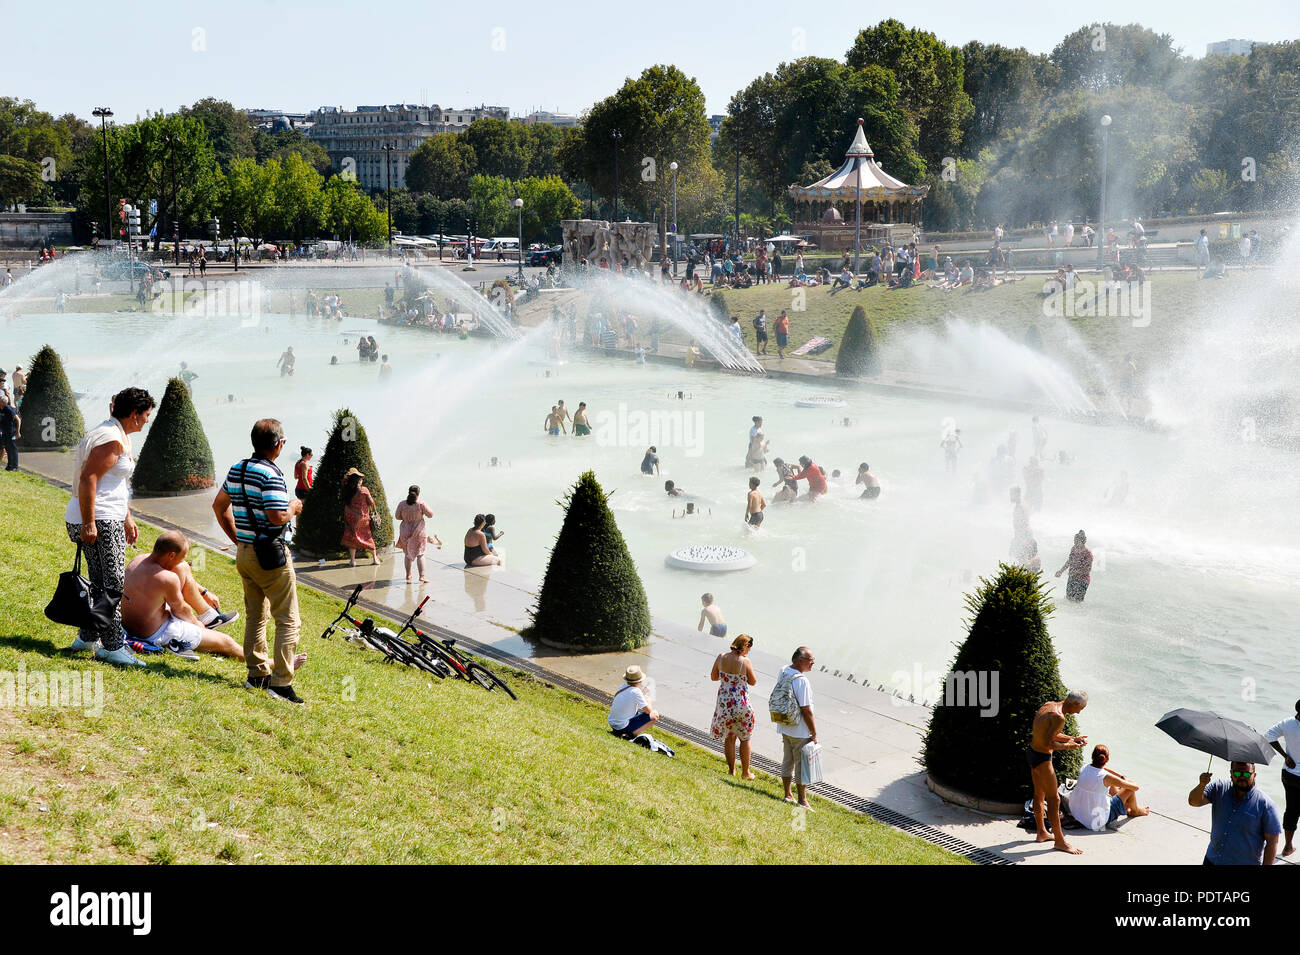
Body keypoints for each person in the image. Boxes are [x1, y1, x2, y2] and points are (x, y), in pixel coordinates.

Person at [212, 418, 305, 702]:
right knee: (288, 620)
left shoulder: (238, 468)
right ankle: (281, 684)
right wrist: (294, 507)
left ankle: (257, 675)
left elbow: (219, 506)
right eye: (284, 442)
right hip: (272, 558)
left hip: (245, 554)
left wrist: (238, 539)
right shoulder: (271, 474)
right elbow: (277, 515)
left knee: (256, 615)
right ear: (278, 444)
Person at [64, 387, 157, 667]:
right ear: (134, 414)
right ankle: (113, 646)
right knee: (113, 584)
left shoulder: (112, 433)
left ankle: (87, 637)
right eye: (146, 415)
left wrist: (127, 516)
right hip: (99, 519)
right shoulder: (112, 440)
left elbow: (112, 483)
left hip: (102, 515)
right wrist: (90, 522)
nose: (148, 420)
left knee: (99, 581)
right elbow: (88, 479)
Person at [122, 532, 245, 661]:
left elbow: (174, 573)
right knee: (226, 642)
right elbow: (181, 611)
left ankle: (209, 616)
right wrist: (199, 626)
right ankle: (263, 663)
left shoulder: (137, 560)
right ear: (171, 555)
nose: (183, 560)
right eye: (182, 556)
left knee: (182, 567)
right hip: (154, 633)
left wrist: (204, 591)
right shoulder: (168, 579)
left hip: (130, 624)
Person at [1026, 690, 1089, 854]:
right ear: (1075, 703)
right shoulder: (1060, 717)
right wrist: (1071, 746)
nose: (1080, 712)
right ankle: (1060, 841)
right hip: (1042, 758)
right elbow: (1049, 743)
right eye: (1081, 708)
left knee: (1039, 794)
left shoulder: (1049, 706)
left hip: (1032, 752)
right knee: (1054, 800)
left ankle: (1041, 832)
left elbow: (1050, 733)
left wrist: (1071, 738)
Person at [1189, 762, 1282, 865]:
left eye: (1246, 774)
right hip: (1212, 860)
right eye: (1237, 773)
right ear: (1231, 773)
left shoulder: (1266, 805)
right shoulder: (1219, 787)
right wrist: (1202, 785)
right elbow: (1194, 802)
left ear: (1254, 775)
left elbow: (1272, 842)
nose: (1241, 777)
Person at [1070, 744, 1149, 831]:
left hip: (1078, 813)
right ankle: (1135, 811)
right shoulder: (1106, 777)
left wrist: (1120, 777)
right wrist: (1125, 780)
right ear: (1107, 759)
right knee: (1129, 788)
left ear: (1092, 757)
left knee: (1110, 784)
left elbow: (1103, 770)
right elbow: (1135, 788)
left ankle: (1125, 804)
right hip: (1096, 821)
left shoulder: (1084, 768)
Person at [776, 647, 818, 810]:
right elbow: (806, 710)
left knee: (788, 760)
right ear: (800, 660)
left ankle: (787, 794)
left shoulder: (784, 670)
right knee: (802, 766)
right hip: (800, 730)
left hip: (785, 724)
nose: (813, 663)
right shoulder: (802, 681)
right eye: (810, 660)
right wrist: (813, 732)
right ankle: (803, 800)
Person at [710, 634, 757, 779]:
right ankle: (745, 772)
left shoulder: (721, 657)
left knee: (729, 738)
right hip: (741, 704)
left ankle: (732, 771)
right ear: (745, 646)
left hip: (725, 703)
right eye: (749, 648)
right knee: (745, 738)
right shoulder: (745, 661)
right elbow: (753, 681)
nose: (749, 651)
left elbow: (713, 677)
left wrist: (726, 678)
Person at [1265, 702, 1300, 856]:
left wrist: (1286, 757)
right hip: (1292, 775)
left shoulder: (1287, 723)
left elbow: (1269, 736)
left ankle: (1287, 847)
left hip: (1290, 774)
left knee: (1291, 810)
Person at [395, 485, 440, 583]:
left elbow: (397, 517)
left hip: (405, 531)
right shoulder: (421, 504)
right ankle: (422, 576)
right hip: (419, 531)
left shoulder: (402, 504)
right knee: (420, 554)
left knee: (407, 553)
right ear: (418, 494)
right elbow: (431, 514)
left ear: (408, 492)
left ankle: (408, 575)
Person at [341, 468, 380, 567]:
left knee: (352, 536)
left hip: (350, 516)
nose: (362, 480)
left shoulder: (346, 489)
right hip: (363, 517)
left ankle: (353, 561)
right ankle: (375, 559)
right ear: (358, 480)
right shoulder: (364, 490)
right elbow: (371, 502)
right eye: (361, 478)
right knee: (367, 536)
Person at [608, 666, 658, 740]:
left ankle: (620, 733)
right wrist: (649, 701)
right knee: (655, 715)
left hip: (613, 723)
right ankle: (630, 735)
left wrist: (642, 693)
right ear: (640, 681)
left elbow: (631, 696)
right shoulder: (636, 691)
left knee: (635, 709)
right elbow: (648, 711)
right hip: (622, 727)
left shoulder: (622, 686)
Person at [1055, 530, 1093, 601]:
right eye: (1074, 540)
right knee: (1068, 599)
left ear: (1083, 542)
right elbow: (1069, 561)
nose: (1075, 542)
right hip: (1072, 578)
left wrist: (1076, 572)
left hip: (1082, 581)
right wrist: (1061, 571)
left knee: (1077, 602)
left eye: (1076, 541)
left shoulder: (1088, 553)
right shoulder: (1073, 549)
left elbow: (1088, 569)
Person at [0, 393, 19, 472]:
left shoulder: (8, 408)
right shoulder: (1, 409)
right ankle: (9, 466)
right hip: (4, 432)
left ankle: (15, 467)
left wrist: (18, 432)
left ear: (3, 402)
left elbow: (18, 419)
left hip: (11, 432)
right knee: (7, 449)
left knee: (13, 449)